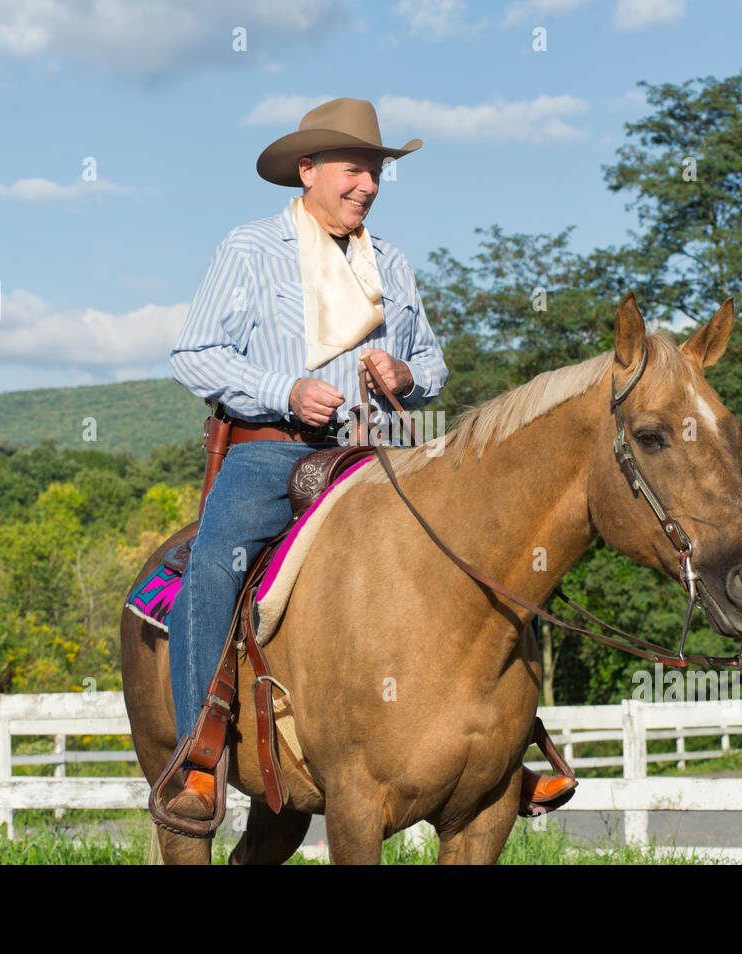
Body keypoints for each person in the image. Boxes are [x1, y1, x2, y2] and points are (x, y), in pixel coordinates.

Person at [157, 97, 573, 825]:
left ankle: (510, 747)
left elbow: (433, 361)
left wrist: (405, 375)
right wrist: (281, 387)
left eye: (376, 172)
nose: (368, 186)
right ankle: (200, 755)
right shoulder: (251, 249)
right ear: (309, 171)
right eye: (354, 170)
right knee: (212, 566)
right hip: (273, 453)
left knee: (484, 552)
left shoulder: (393, 264)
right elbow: (195, 353)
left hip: (380, 457)